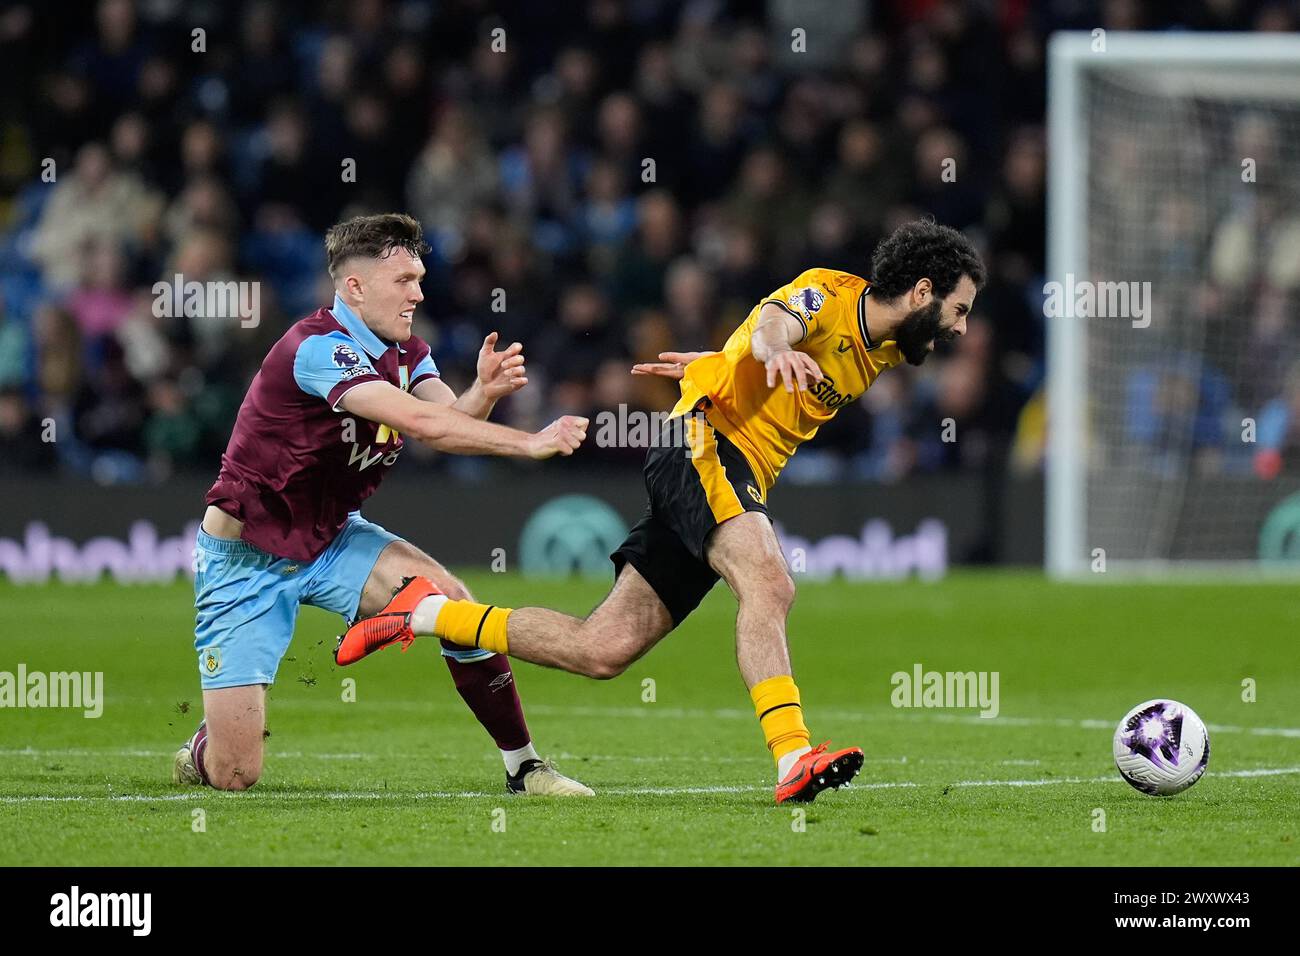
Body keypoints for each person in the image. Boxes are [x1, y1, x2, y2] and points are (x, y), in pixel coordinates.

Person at [337, 219, 985, 804]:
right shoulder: (830, 297)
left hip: (730, 469)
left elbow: (760, 353)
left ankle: (424, 611)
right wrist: (763, 349)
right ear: (922, 292)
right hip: (703, 448)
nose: (961, 328)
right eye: (959, 310)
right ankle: (793, 754)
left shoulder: (894, 346)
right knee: (770, 582)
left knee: (602, 649)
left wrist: (724, 360)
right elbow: (775, 324)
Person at [174, 213, 593, 796]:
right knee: (236, 774)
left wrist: (483, 394)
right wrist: (532, 442)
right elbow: (427, 425)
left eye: (419, 278)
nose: (418, 292)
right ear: (355, 287)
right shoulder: (318, 349)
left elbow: (446, 421)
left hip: (331, 539)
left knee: (453, 599)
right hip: (247, 557)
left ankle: (523, 766)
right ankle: (205, 747)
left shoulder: (407, 350)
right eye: (403, 280)